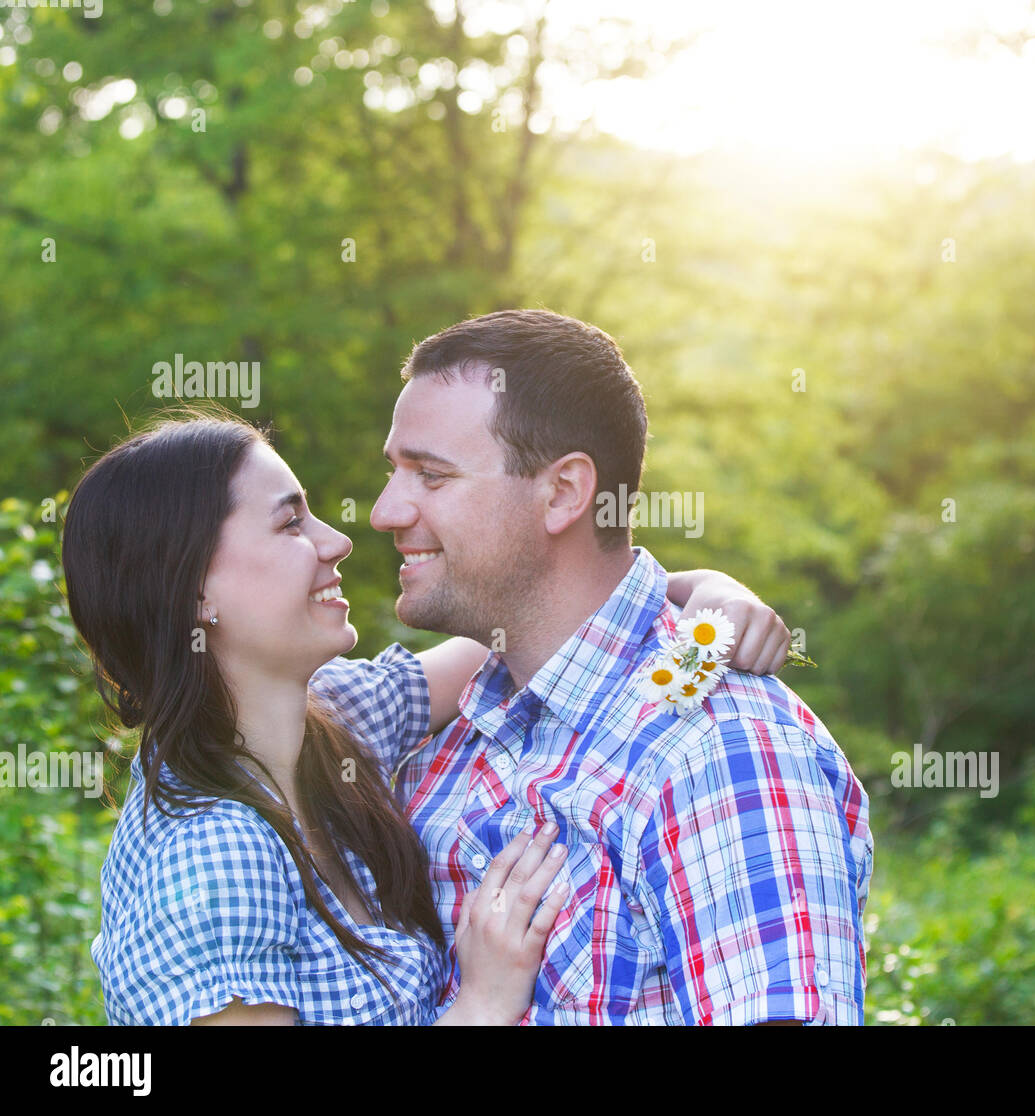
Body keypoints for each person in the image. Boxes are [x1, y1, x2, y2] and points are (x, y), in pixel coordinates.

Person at [66, 412, 783, 1024]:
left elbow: (539, 617)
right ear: (193, 592)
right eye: (290, 523)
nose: (337, 540)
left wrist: (700, 595)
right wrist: (479, 1004)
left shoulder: (334, 719)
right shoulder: (215, 854)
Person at [315, 309, 875, 1025]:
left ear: (564, 493)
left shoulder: (719, 750)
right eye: (394, 472)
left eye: (431, 475)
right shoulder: (440, 749)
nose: (387, 511)